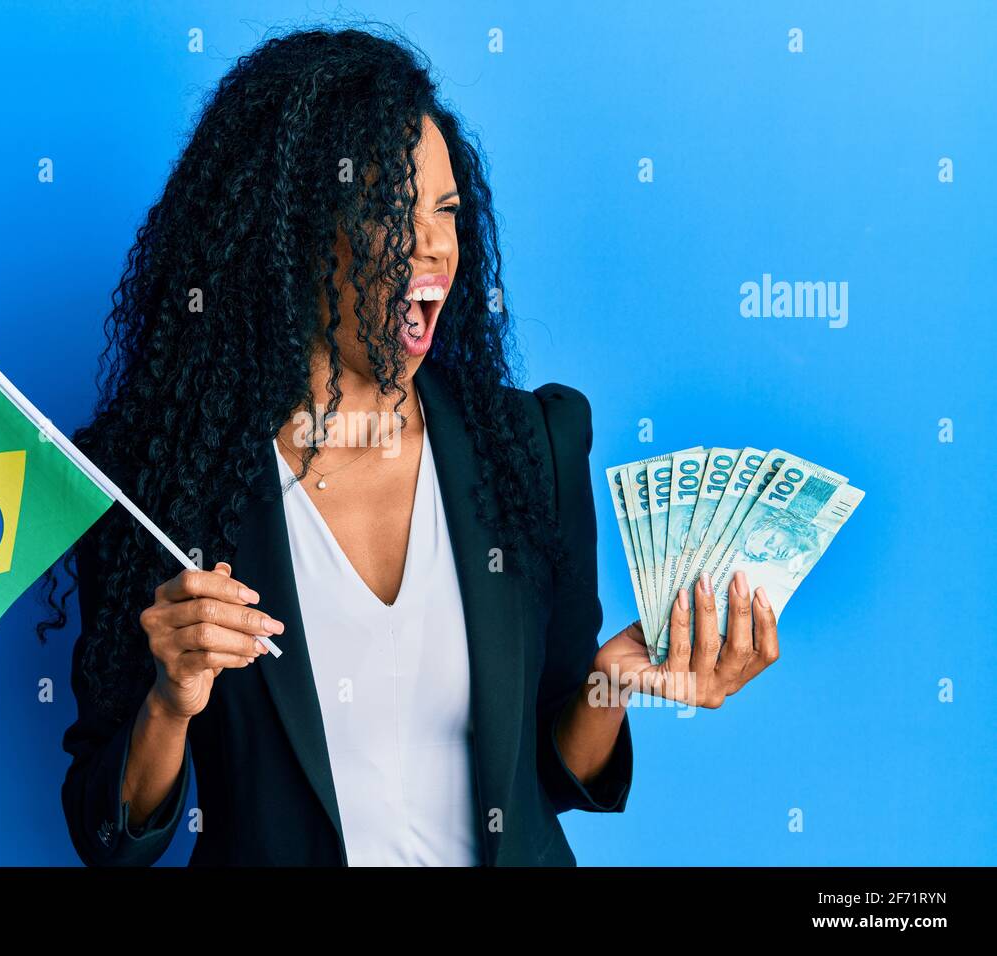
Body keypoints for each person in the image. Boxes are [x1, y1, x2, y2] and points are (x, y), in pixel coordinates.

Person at [43, 26, 779, 867]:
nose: (432, 246)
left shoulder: (528, 445)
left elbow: (548, 774)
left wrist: (618, 675)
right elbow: (111, 836)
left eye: (447, 210)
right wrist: (171, 701)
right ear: (291, 235)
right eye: (390, 211)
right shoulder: (163, 481)